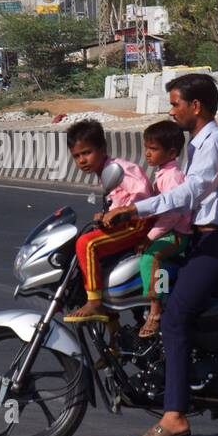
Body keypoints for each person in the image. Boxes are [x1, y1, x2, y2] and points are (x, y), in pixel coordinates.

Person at [103, 74, 218, 436]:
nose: (171, 109)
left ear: (195, 106)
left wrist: (138, 208)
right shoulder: (198, 144)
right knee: (158, 281)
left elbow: (188, 193)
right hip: (198, 237)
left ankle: (175, 415)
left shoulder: (211, 144)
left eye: (175, 103)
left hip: (215, 241)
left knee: (175, 316)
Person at [63, 119, 153, 324]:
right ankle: (112, 340)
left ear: (103, 148)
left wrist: (121, 212)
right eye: (77, 156)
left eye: (87, 153)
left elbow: (142, 194)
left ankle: (94, 301)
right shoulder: (105, 172)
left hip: (138, 222)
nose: (82, 160)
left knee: (87, 244)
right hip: (126, 222)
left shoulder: (118, 169)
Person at [135, 119, 191, 339]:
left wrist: (150, 236)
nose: (148, 154)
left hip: (177, 234)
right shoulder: (162, 172)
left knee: (151, 257)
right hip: (169, 231)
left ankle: (156, 309)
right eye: (147, 148)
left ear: (172, 152)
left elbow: (173, 214)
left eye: (154, 149)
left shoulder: (172, 177)